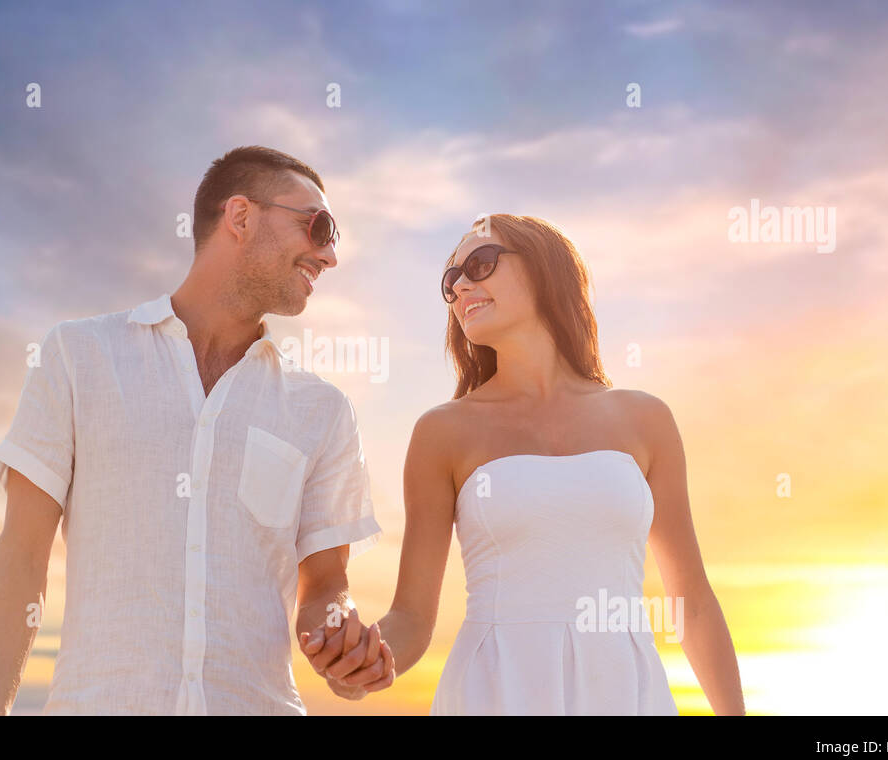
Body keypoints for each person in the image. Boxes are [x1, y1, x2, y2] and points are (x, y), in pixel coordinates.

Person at [0, 145, 394, 715]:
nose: (331, 256)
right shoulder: (79, 357)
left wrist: (345, 649)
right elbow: (21, 560)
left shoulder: (322, 410)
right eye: (319, 227)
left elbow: (324, 587)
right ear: (240, 217)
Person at [314, 214, 745, 715]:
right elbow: (411, 618)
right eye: (450, 280)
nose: (461, 287)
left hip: (626, 692)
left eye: (480, 263)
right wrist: (361, 668)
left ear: (544, 270)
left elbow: (690, 600)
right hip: (495, 693)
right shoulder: (443, 432)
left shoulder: (645, 418)